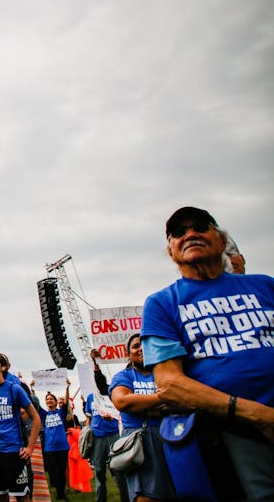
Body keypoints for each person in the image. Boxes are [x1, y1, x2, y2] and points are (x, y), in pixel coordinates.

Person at [141, 206, 274, 499]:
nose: (190, 234)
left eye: (200, 226)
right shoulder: (162, 303)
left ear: (222, 241)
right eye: (179, 232)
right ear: (171, 251)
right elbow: (170, 384)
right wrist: (258, 415)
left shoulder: (266, 286)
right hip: (231, 434)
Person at [108, 333, 175, 502]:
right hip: (141, 442)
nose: (141, 349)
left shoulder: (164, 372)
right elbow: (123, 402)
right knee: (146, 496)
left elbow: (183, 401)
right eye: (136, 346)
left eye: (145, 345)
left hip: (171, 437)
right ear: (128, 354)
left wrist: (143, 406)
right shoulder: (123, 377)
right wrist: (164, 397)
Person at [0, 352, 41, 502]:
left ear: (4, 367)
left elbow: (36, 418)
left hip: (14, 452)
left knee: (21, 496)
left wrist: (30, 447)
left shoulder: (14, 389)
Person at [84, 349, 128, 502]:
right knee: (99, 471)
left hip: (113, 435)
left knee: (119, 469)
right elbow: (88, 418)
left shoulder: (112, 392)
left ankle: (126, 497)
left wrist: (114, 417)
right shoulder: (90, 398)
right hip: (98, 438)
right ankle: (100, 499)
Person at [31, 379, 70, 501]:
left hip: (62, 447)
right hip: (49, 448)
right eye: (47, 399)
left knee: (61, 470)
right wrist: (32, 389)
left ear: (55, 402)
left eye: (51, 399)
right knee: (54, 471)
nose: (49, 400)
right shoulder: (44, 414)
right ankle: (59, 491)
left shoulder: (61, 413)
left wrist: (67, 387)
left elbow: (67, 402)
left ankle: (61, 493)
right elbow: (34, 404)